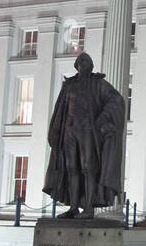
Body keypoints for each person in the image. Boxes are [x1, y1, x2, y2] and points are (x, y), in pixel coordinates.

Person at [42, 52, 126, 219]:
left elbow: (116, 99)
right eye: (80, 61)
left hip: (87, 130)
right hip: (69, 130)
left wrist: (103, 118)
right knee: (71, 168)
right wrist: (56, 131)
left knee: (88, 167)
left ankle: (88, 208)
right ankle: (73, 207)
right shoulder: (69, 85)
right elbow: (60, 109)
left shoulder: (98, 83)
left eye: (87, 60)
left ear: (91, 66)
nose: (83, 63)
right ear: (76, 65)